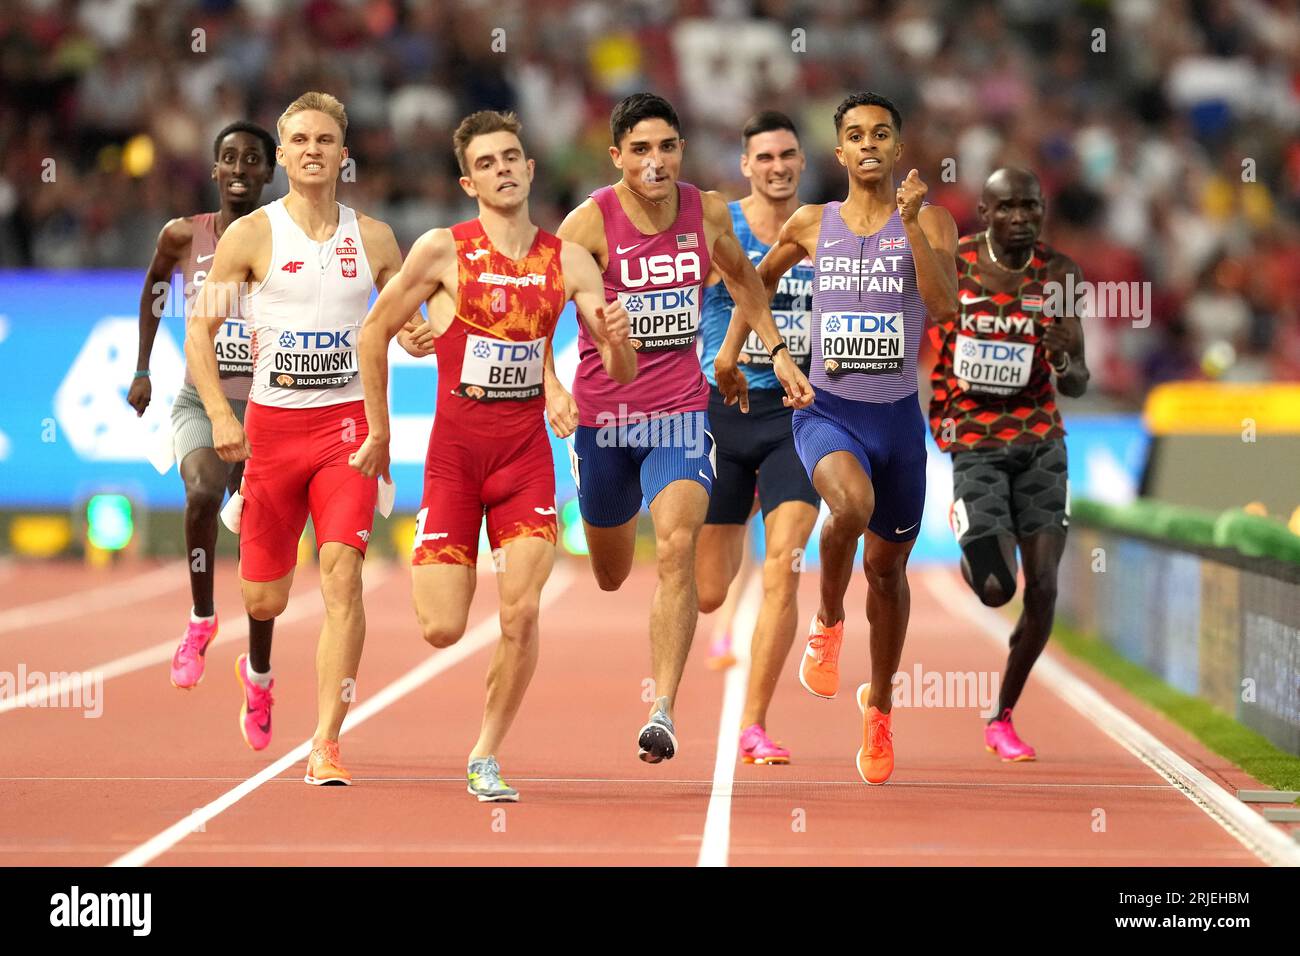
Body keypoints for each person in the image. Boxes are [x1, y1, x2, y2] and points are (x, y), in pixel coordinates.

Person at [350, 110, 636, 802]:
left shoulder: (569, 261)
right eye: (488, 162)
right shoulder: (441, 251)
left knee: (521, 614)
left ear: (531, 168)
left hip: (525, 463)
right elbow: (372, 334)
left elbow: (619, 370)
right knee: (443, 628)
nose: (504, 169)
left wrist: (618, 341)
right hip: (453, 461)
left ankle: (485, 753)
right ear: (468, 180)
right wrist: (380, 432)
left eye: (512, 157)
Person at [554, 92, 813, 763]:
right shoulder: (588, 224)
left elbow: (746, 280)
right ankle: (598, 492)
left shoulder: (707, 212)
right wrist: (552, 388)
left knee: (675, 550)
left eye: (667, 146)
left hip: (680, 413)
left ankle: (662, 710)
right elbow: (534, 317)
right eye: (640, 149)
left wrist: (777, 351)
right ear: (617, 156)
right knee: (612, 572)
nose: (655, 160)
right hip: (606, 422)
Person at [718, 92, 958, 786]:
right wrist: (737, 353)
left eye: (883, 133)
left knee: (886, 573)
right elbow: (755, 282)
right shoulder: (810, 223)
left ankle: (878, 704)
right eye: (856, 135)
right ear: (841, 152)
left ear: (898, 148)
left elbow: (943, 307)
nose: (870, 144)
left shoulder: (931, 219)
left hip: (898, 428)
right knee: (847, 507)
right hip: (828, 412)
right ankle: (826, 620)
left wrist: (911, 226)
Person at [187, 91, 408, 784]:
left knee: (343, 578)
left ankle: (326, 741)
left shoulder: (373, 237)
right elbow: (200, 331)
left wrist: (423, 332)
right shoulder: (251, 236)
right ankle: (256, 670)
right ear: (282, 155)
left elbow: (410, 310)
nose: (313, 149)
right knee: (265, 601)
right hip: (272, 434)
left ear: (345, 155)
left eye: (326, 139)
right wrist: (222, 417)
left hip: (348, 432)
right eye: (301, 140)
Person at [927, 166, 1089, 761]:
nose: (1021, 217)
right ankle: (974, 529)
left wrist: (1066, 360)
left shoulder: (1061, 274)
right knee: (997, 590)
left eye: (1031, 205)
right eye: (1008, 207)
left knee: (1043, 589)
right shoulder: (958, 263)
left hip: (1042, 439)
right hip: (974, 439)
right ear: (985, 213)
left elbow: (1078, 379)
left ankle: (1003, 713)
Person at [126, 121, 276, 691]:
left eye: (252, 159)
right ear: (214, 170)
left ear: (268, 171)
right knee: (203, 494)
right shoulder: (183, 235)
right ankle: (201, 618)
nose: (240, 168)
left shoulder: (283, 237)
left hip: (269, 406)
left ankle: (259, 673)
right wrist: (142, 367)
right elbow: (156, 286)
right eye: (229, 158)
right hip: (201, 398)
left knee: (260, 544)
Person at [696, 110, 819, 765]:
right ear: (746, 165)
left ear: (801, 162)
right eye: (764, 157)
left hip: (798, 420)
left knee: (785, 565)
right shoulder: (720, 224)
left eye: (787, 155)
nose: (777, 166)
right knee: (709, 588)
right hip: (721, 410)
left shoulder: (826, 229)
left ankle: (755, 722)